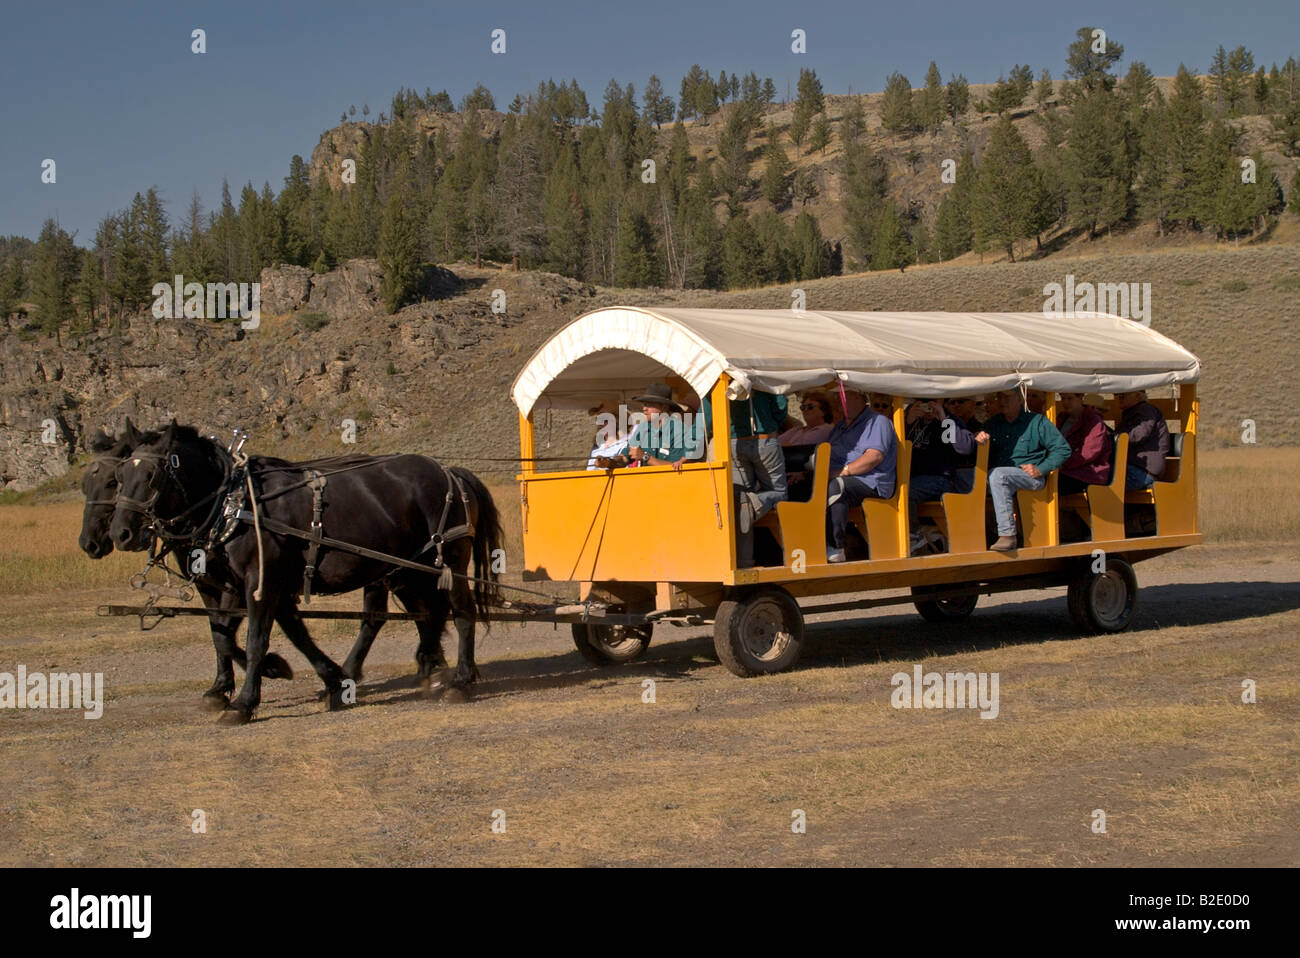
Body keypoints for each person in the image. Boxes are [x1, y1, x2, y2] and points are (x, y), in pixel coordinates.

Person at [701, 387, 789, 568]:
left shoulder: (715, 377)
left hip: (731, 442)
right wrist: (770, 422)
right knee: (779, 493)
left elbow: (707, 418)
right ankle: (752, 502)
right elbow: (780, 404)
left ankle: (744, 562)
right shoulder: (756, 367)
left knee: (738, 502)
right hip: (764, 438)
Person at [982, 388, 1071, 552]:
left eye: (1007, 397)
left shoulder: (1037, 422)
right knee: (964, 478)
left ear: (1020, 399)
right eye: (999, 396)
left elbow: (1062, 449)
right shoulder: (992, 424)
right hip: (998, 478)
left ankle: (1007, 534)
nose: (1002, 401)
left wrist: (1041, 469)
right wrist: (978, 438)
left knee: (998, 475)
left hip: (1029, 477)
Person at [825, 386, 898, 563]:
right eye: (836, 396)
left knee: (837, 486)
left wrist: (844, 471)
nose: (837, 400)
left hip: (871, 481)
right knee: (800, 487)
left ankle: (836, 546)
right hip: (839, 475)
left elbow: (874, 456)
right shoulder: (840, 426)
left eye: (842, 396)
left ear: (858, 396)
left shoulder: (878, 421)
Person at [906, 397, 979, 552]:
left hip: (940, 478)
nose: (928, 405)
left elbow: (964, 448)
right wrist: (908, 422)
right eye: (923, 400)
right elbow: (893, 448)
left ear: (941, 401)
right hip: (912, 478)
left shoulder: (949, 420)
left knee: (906, 492)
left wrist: (943, 417)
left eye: (933, 401)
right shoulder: (909, 419)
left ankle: (914, 538)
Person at [593, 383, 692, 471]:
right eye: (644, 404)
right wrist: (608, 462)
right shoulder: (643, 428)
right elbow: (624, 458)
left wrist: (645, 457)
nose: (644, 409)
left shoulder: (680, 431)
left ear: (664, 407)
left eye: (649, 405)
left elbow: (676, 469)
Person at [1057, 392, 1115, 494]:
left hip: (1089, 473)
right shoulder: (1062, 418)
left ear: (1081, 398)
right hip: (1066, 469)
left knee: (1049, 483)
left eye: (1070, 398)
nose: (1065, 402)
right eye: (1063, 398)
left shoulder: (1093, 421)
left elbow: (1089, 452)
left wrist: (1063, 463)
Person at [1116, 389, 1169, 489]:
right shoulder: (1132, 413)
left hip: (1142, 472)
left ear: (1138, 396)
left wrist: (1114, 437)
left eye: (1123, 395)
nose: (1119, 398)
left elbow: (1138, 435)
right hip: (1136, 469)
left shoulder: (1146, 410)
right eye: (1118, 395)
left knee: (1103, 480)